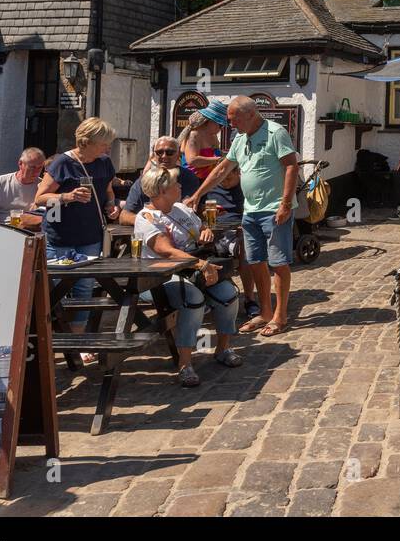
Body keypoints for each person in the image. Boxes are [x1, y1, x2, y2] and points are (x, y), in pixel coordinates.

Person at [187, 96, 299, 338]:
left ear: (250, 114)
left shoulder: (275, 133)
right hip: (250, 210)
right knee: (256, 261)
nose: (230, 125)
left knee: (278, 262)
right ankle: (265, 312)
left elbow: (291, 166)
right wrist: (198, 194)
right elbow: (221, 170)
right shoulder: (240, 138)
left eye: (233, 119)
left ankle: (281, 316)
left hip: (274, 208)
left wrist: (286, 204)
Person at [135, 164, 243, 386]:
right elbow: (166, 251)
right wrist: (201, 265)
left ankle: (223, 348)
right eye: (175, 184)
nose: (180, 186)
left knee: (228, 293)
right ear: (161, 191)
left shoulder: (180, 209)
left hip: (193, 268)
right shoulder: (147, 218)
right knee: (193, 299)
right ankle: (185, 364)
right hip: (160, 276)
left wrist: (205, 229)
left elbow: (199, 225)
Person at [34, 117, 120, 350]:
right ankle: (53, 341)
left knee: (84, 287)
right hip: (61, 235)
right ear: (87, 142)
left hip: (90, 235)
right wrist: (66, 197)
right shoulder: (63, 163)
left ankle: (77, 343)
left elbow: (108, 190)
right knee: (57, 287)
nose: (107, 148)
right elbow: (40, 198)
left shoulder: (104, 162)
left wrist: (112, 205)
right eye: (104, 143)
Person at [119, 136, 200, 225]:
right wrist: (150, 221)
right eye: (159, 152)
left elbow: (191, 211)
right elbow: (124, 216)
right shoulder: (145, 180)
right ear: (153, 156)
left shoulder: (189, 178)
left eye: (169, 152)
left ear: (178, 155)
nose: (164, 156)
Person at [0, 146, 45, 227]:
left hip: (27, 229)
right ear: (20, 164)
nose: (37, 171)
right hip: (0, 227)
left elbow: (50, 216)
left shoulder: (43, 186)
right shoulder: (0, 181)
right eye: (32, 167)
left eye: (40, 167)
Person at [179, 102, 228, 179]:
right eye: (220, 125)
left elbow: (215, 155)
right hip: (192, 180)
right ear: (210, 121)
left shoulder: (213, 136)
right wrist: (219, 159)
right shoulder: (194, 135)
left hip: (209, 180)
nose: (220, 129)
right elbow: (192, 161)